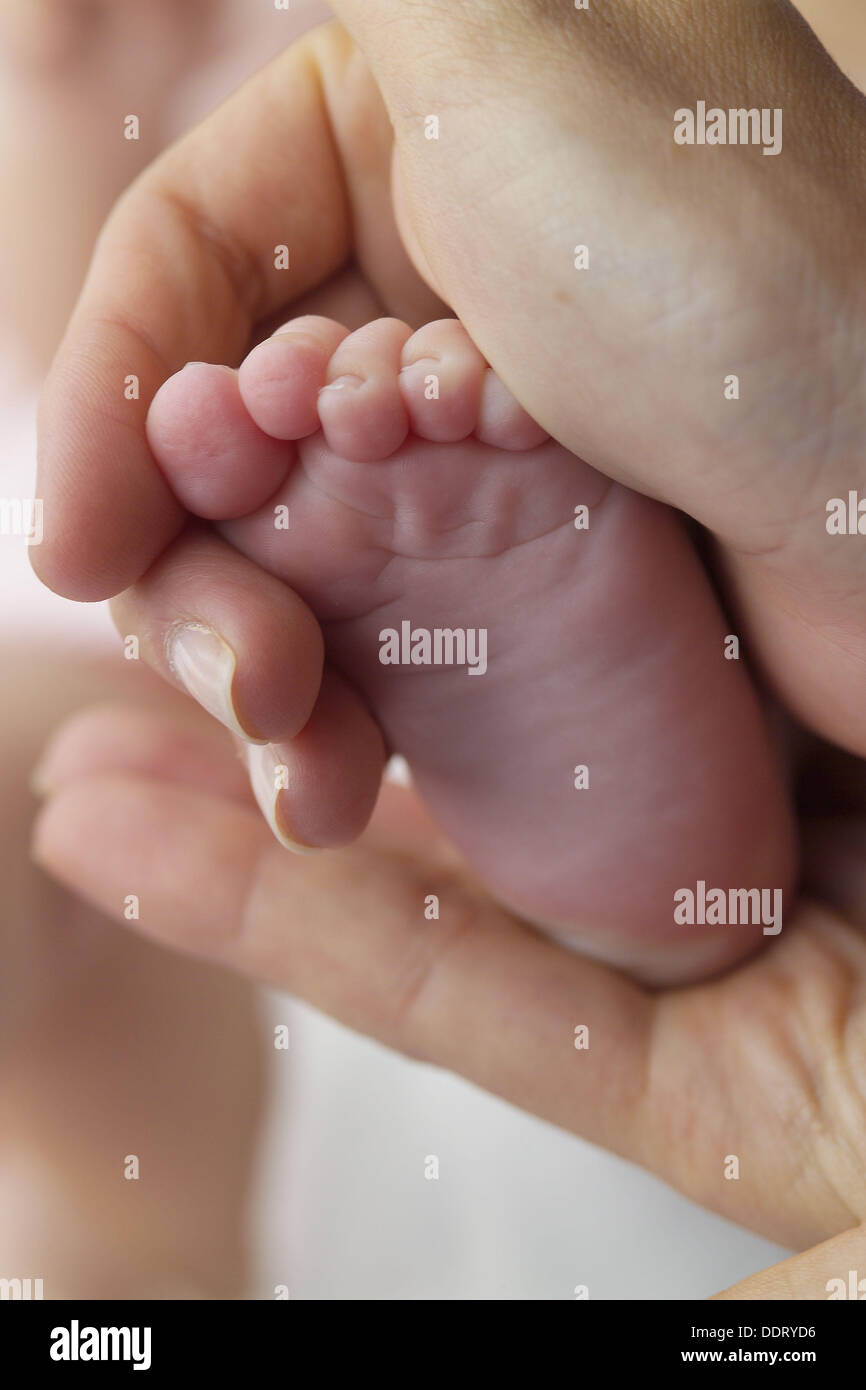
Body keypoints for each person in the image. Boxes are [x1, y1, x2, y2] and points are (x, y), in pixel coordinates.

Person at [25, 0, 866, 1294]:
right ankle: (633, 838)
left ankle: (646, 842)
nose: (84, 21)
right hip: (279, 1059)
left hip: (440, 1016)